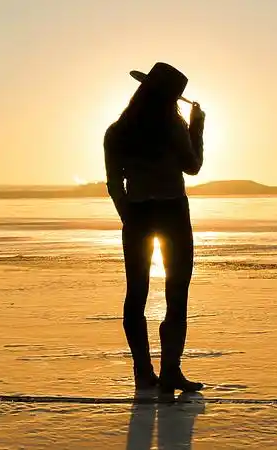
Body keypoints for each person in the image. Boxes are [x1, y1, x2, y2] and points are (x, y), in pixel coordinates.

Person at [103, 62, 205, 393]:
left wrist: (128, 216)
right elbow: (193, 166)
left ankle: (144, 373)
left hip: (137, 215)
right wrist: (197, 128)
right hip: (173, 212)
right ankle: (170, 371)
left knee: (137, 294)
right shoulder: (172, 127)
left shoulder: (117, 131)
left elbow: (114, 184)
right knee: (177, 293)